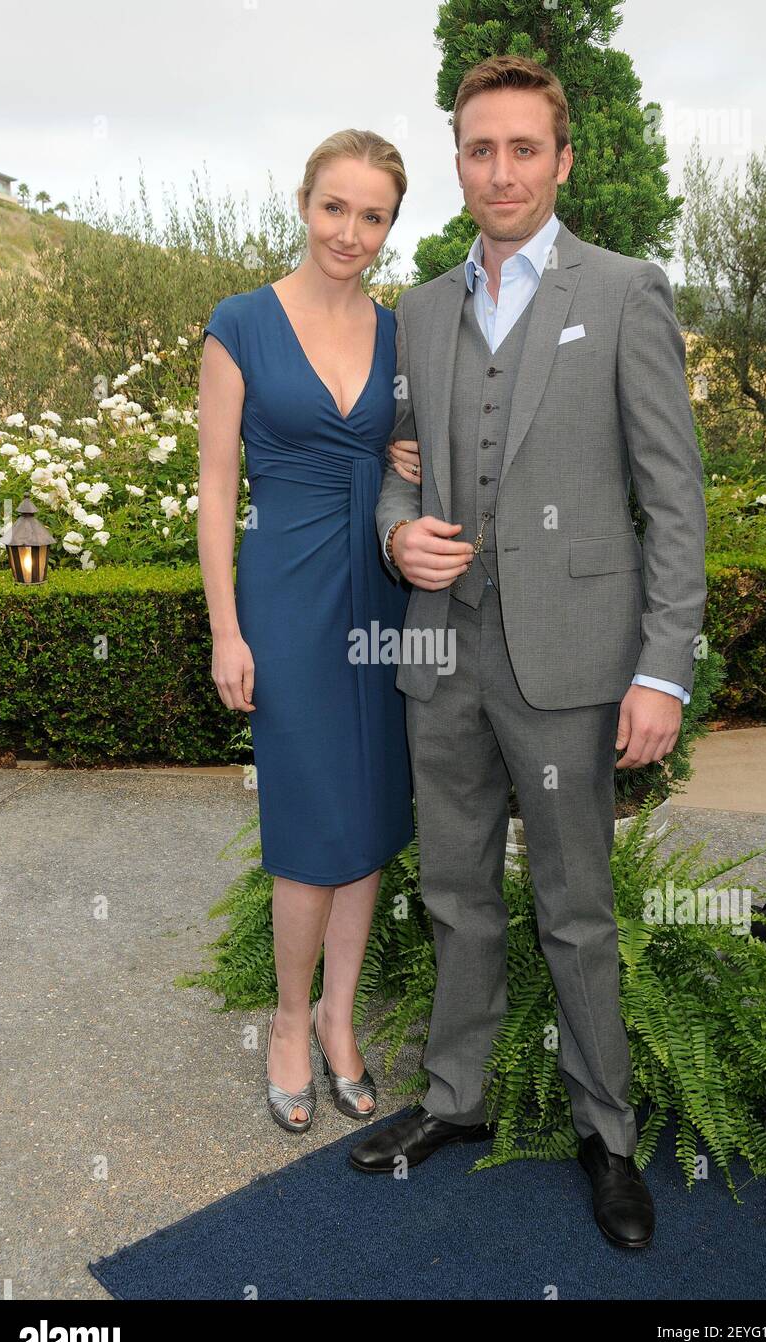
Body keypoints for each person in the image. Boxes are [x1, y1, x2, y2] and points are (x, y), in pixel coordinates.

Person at [351, 55, 707, 1251]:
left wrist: (661, 667)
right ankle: (452, 1101)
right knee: (453, 894)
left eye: (520, 149)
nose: (497, 170)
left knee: (575, 909)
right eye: (476, 148)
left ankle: (605, 1134)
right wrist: (403, 544)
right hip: (440, 660)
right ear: (456, 159)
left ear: (561, 160)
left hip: (570, 665)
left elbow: (672, 495)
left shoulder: (622, 292)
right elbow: (396, 473)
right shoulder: (420, 310)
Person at [197, 130, 420, 1133]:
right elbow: (212, 489)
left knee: (370, 813)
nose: (350, 231)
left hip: (380, 598)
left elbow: (414, 455)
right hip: (284, 598)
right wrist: (224, 630)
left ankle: (339, 1018)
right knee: (306, 822)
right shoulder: (239, 324)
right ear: (303, 202)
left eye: (372, 215)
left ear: (387, 227)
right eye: (336, 207)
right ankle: (288, 1020)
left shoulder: (399, 332)